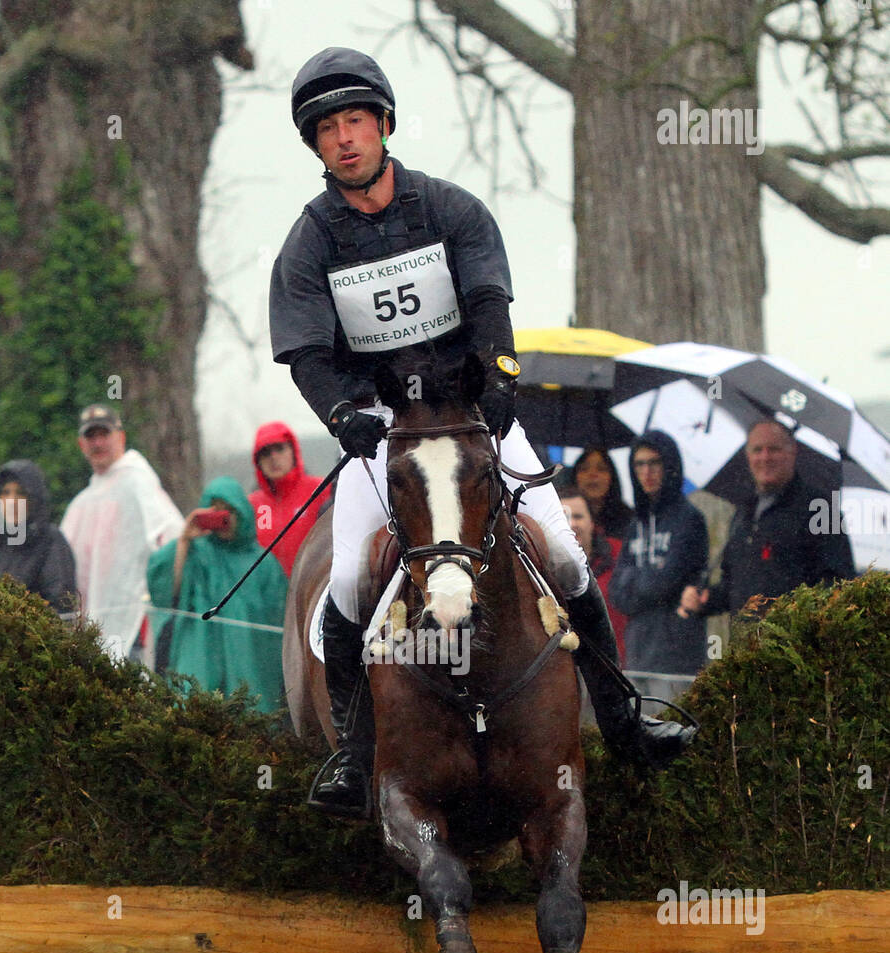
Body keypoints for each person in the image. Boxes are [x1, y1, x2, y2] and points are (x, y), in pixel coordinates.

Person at [270, 47, 694, 817]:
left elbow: (490, 301)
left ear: (384, 125)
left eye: (355, 121)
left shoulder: (450, 209)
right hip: (386, 434)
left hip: (471, 417)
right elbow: (305, 353)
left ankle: (626, 720)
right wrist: (344, 416)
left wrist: (501, 378)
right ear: (317, 145)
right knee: (346, 585)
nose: (344, 139)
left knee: (563, 557)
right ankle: (350, 759)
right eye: (328, 129)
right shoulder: (308, 244)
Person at [679, 420, 856, 623]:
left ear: (792, 452)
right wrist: (705, 600)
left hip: (794, 649)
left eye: (774, 449)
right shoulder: (743, 513)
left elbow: (839, 584)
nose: (765, 457)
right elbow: (733, 586)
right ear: (747, 456)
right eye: (757, 450)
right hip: (745, 650)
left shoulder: (820, 509)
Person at [147, 476, 288, 711]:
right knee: (193, 715)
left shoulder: (263, 562)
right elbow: (166, 591)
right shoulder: (196, 551)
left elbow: (278, 620)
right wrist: (184, 539)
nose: (224, 517)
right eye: (216, 511)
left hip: (250, 664)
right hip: (199, 658)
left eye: (230, 510)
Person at [61, 405, 184, 662]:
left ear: (121, 437)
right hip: (91, 632)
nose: (98, 443)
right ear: (81, 444)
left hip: (136, 626)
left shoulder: (137, 481)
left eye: (104, 434)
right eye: (90, 436)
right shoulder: (79, 505)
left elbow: (171, 537)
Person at [608, 431, 709, 706]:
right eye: (639, 464)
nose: (647, 472)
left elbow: (665, 582)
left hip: (677, 655)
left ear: (670, 466)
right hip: (637, 651)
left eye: (654, 463)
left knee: (672, 729)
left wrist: (638, 581)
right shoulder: (635, 524)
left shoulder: (689, 519)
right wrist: (648, 581)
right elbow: (616, 593)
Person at [0, 460, 77, 613]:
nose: (12, 501)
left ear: (33, 498)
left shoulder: (50, 540)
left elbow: (62, 605)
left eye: (20, 493)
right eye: (5, 492)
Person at [248, 421, 329, 576]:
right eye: (265, 452)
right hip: (270, 594)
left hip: (312, 590)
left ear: (293, 450)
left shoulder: (322, 490)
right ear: (257, 461)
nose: (273, 458)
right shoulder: (250, 505)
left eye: (279, 449)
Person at [558, 488, 626, 662]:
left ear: (592, 522)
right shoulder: (541, 565)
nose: (572, 524)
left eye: (578, 516)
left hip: (622, 664)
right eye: (564, 517)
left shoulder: (620, 554)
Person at [572, 445, 634, 542]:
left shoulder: (629, 521)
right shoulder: (563, 517)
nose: (592, 474)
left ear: (612, 477)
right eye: (584, 469)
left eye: (601, 469)